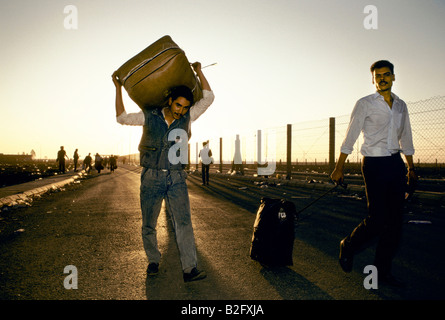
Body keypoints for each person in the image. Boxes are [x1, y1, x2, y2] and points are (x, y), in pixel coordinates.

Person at [113, 61, 214, 282]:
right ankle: (153, 261)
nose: (182, 111)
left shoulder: (188, 117)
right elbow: (121, 118)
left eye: (186, 107)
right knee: (149, 223)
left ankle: (189, 269)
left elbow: (208, 98)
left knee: (184, 222)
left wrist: (198, 71)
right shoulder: (148, 116)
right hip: (151, 176)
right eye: (178, 105)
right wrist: (117, 88)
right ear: (169, 101)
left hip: (177, 177)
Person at [330, 60, 418, 287]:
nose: (382, 79)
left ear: (393, 77)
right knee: (378, 219)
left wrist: (411, 167)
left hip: (395, 163)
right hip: (374, 165)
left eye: (386, 74)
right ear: (373, 80)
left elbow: (406, 137)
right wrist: (339, 167)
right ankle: (348, 244)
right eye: (377, 76)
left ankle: (382, 272)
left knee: (395, 224)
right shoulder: (365, 104)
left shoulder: (401, 106)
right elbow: (350, 135)